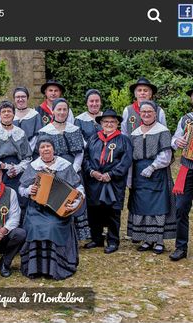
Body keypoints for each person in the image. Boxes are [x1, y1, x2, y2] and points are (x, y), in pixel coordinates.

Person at [19, 136, 84, 279]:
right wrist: (29, 190)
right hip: (37, 209)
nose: (45, 149)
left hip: (58, 212)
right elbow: (21, 188)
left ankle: (54, 268)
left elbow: (78, 187)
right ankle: (36, 268)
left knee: (52, 226)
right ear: (38, 150)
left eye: (48, 146)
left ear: (54, 149)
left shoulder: (64, 165)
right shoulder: (34, 166)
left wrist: (76, 200)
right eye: (42, 147)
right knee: (35, 226)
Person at [37, 98, 89, 240]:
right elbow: (43, 153)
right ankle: (58, 234)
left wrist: (74, 168)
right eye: (58, 109)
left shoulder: (74, 130)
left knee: (74, 199)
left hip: (73, 169)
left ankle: (76, 235)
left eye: (64, 109)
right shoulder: (45, 131)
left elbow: (80, 152)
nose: (61, 112)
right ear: (53, 111)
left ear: (68, 111)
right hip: (54, 170)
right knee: (57, 199)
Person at [127, 101, 176, 253]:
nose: (146, 114)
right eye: (143, 112)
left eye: (150, 111)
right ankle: (147, 240)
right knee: (141, 206)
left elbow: (166, 155)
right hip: (138, 175)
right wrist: (129, 178)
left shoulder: (162, 131)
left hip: (157, 174)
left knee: (158, 207)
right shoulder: (135, 133)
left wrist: (153, 166)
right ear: (140, 114)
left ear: (155, 113)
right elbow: (131, 158)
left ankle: (159, 241)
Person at [82, 109, 133, 254]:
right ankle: (97, 238)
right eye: (106, 121)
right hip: (95, 181)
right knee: (94, 210)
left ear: (117, 123)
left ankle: (112, 240)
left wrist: (111, 174)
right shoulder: (93, 139)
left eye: (112, 122)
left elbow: (126, 161)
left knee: (113, 211)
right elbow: (85, 158)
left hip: (113, 182)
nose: (109, 124)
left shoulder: (124, 140)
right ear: (101, 123)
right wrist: (92, 172)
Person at [0, 101, 32, 208]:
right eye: (3, 111)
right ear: (0, 115)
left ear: (13, 114)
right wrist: (3, 166)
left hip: (18, 170)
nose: (6, 114)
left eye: (9, 111)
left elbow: (28, 157)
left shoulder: (20, 132)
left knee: (20, 198)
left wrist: (18, 168)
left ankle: (19, 219)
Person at [169, 87, 193, 261]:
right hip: (188, 168)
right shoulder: (186, 119)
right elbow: (174, 140)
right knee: (180, 208)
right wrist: (177, 140)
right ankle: (181, 247)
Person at [12, 86, 43, 152]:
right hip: (12, 152)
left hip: (31, 151)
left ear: (27, 98)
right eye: (17, 97)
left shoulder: (34, 115)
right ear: (14, 99)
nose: (20, 99)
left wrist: (27, 151)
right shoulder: (9, 114)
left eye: (23, 96)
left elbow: (37, 137)